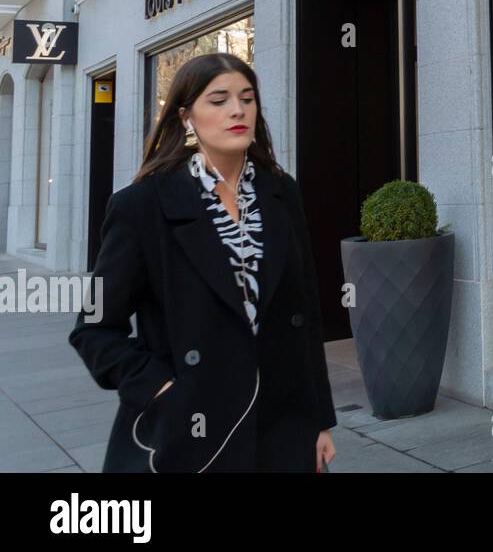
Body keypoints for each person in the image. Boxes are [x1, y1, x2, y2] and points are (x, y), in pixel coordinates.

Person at [69, 53, 337, 472]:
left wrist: (319, 422)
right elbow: (95, 329)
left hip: (281, 424)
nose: (237, 110)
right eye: (219, 100)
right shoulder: (142, 205)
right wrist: (161, 389)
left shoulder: (281, 192)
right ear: (185, 116)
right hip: (190, 427)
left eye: (247, 99)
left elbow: (306, 317)